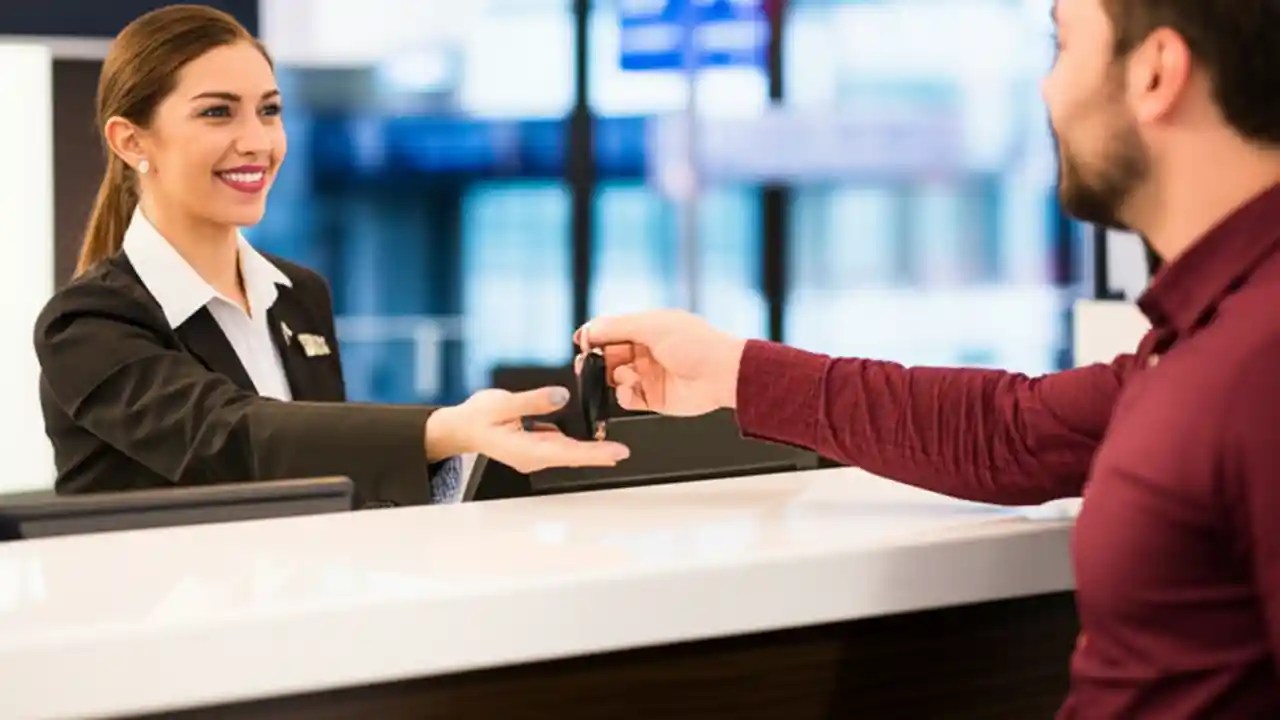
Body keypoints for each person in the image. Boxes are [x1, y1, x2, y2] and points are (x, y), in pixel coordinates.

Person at [578, 0, 1280, 717]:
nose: (1047, 88)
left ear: (1157, 72)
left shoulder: (1258, 363)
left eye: (1062, 45)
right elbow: (1013, 431)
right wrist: (732, 370)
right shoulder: (1210, 335)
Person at [34, 5, 628, 508]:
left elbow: (327, 478)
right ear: (131, 140)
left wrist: (474, 449)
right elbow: (231, 438)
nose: (258, 140)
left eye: (269, 109)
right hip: (148, 636)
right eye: (218, 112)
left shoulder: (298, 295)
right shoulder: (87, 323)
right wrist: (441, 429)